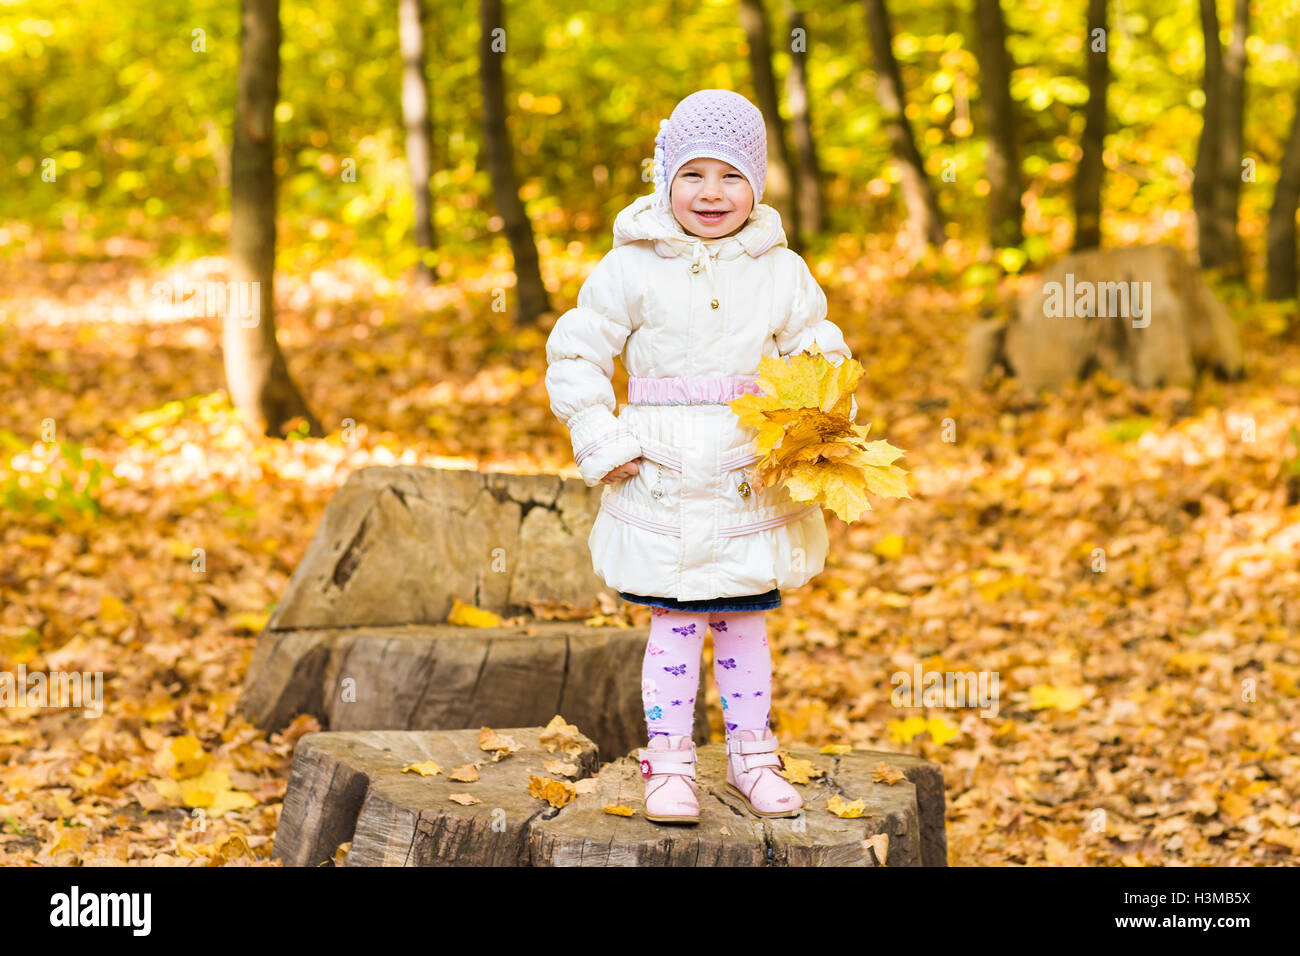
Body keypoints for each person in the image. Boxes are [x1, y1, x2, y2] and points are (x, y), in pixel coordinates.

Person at [544, 89, 856, 824]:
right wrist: (599, 432)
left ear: (758, 184)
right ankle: (669, 761)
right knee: (674, 623)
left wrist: (823, 424)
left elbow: (819, 350)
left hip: (748, 473)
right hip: (663, 475)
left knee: (745, 622)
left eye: (730, 176)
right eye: (693, 174)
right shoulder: (630, 267)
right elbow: (578, 350)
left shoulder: (780, 271)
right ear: (664, 178)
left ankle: (753, 753)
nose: (711, 193)